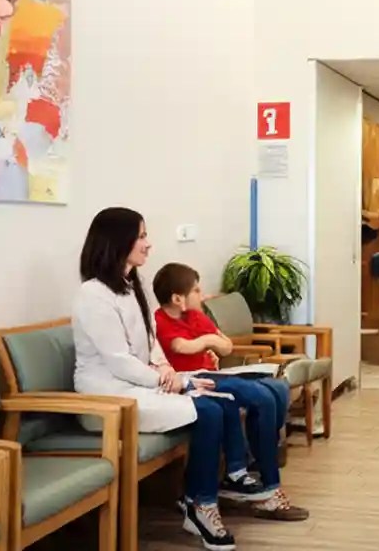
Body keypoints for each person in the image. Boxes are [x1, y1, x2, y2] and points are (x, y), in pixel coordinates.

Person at [72, 207, 258, 551]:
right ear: (118, 241)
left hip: (138, 385)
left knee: (222, 401)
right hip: (107, 397)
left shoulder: (129, 287)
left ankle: (200, 500)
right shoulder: (93, 295)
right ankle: (201, 506)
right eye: (141, 236)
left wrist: (168, 370)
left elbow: (151, 342)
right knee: (210, 409)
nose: (148, 244)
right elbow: (117, 361)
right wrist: (174, 382)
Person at [152, 262, 309, 522]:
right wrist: (209, 342)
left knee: (277, 387)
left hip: (215, 375)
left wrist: (208, 344)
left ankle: (254, 465)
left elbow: (225, 347)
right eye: (197, 291)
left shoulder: (196, 316)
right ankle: (263, 483)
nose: (202, 296)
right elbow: (182, 347)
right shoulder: (160, 320)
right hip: (193, 382)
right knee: (262, 398)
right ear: (178, 298)